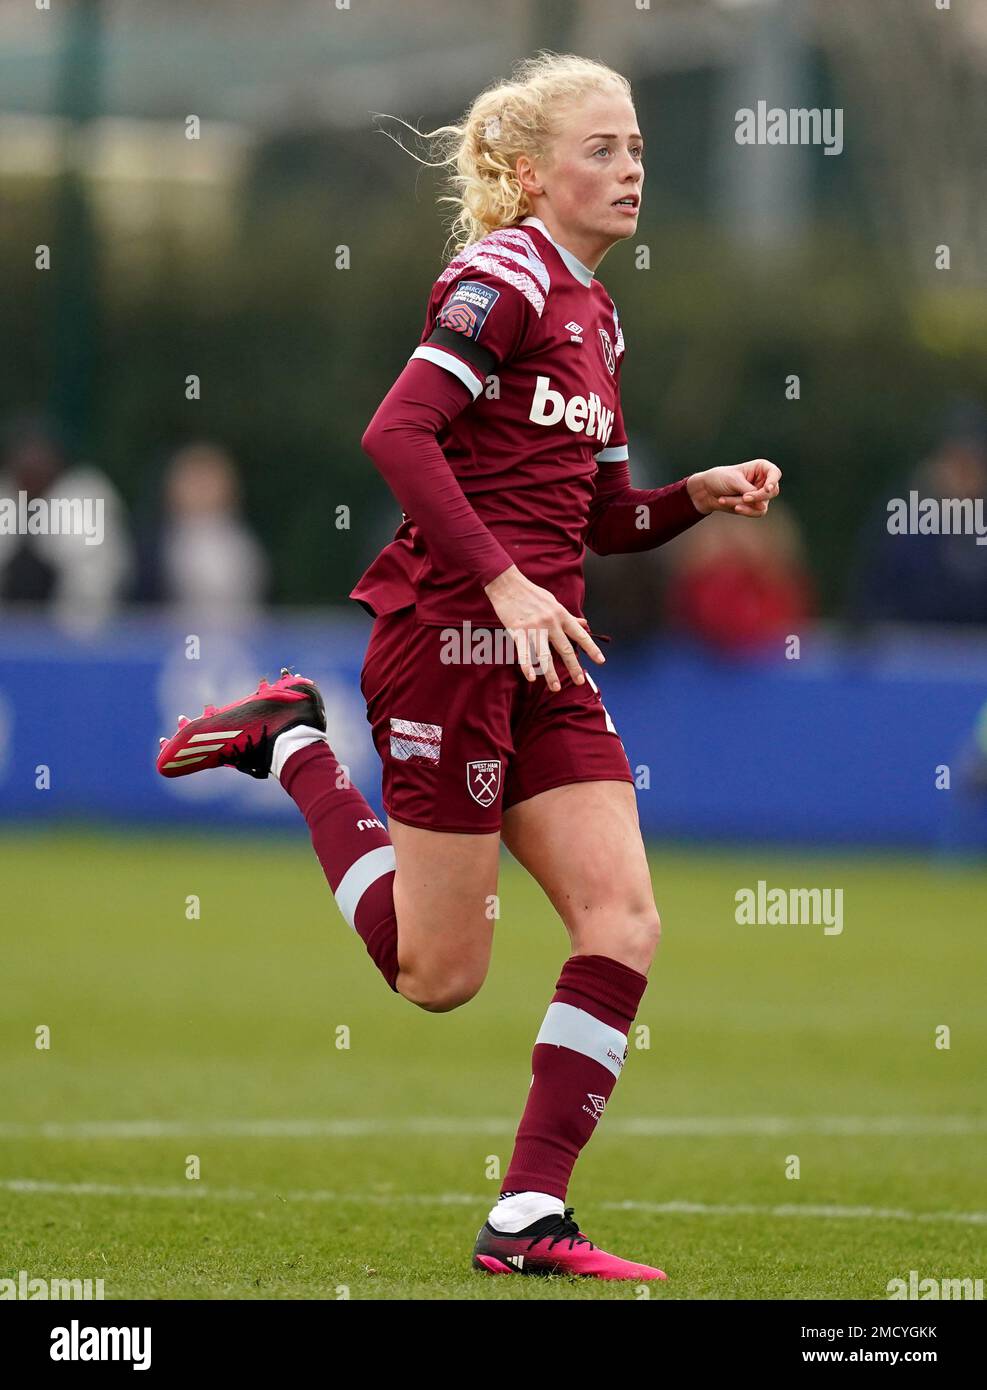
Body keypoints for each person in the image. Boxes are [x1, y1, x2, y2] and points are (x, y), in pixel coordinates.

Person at [156, 53, 781, 1280]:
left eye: (638, 146)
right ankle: (292, 742)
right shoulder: (502, 275)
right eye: (601, 148)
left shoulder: (598, 317)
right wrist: (500, 580)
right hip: (449, 639)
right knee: (435, 974)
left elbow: (597, 520)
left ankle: (526, 1214)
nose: (631, 167)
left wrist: (693, 498)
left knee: (624, 920)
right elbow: (397, 431)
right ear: (529, 172)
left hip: (541, 651)